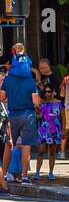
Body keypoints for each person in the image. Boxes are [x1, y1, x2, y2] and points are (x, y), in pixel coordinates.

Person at [1, 54, 40, 183]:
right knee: (26, 145)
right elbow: (35, 101)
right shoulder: (30, 81)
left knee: (9, 144)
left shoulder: (8, 80)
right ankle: (24, 176)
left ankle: (5, 175)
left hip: (12, 114)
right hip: (28, 114)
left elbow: (1, 97)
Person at [34, 81, 63, 180]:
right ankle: (37, 172)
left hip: (55, 130)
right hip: (43, 130)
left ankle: (51, 172)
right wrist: (37, 110)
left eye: (49, 91)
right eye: (46, 92)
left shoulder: (59, 103)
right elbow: (38, 116)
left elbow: (63, 117)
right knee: (41, 151)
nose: (47, 93)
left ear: (53, 92)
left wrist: (65, 130)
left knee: (52, 152)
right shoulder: (41, 103)